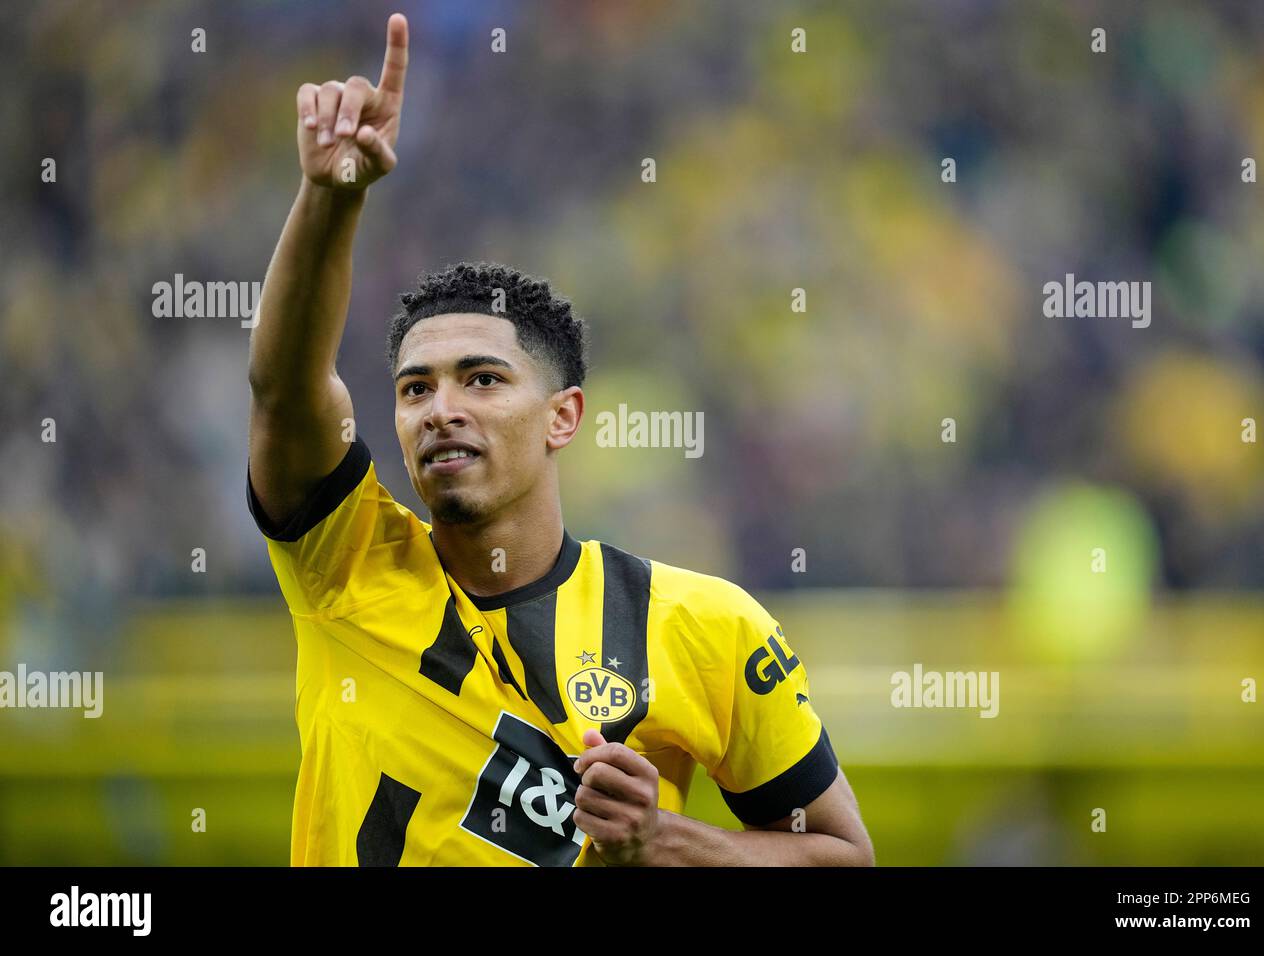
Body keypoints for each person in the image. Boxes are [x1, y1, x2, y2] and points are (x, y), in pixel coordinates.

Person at [246, 12, 873, 867]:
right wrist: (331, 198)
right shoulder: (348, 568)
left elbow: (843, 858)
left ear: (563, 417)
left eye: (483, 379)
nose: (440, 408)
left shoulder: (703, 627)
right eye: (414, 389)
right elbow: (284, 391)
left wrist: (664, 840)